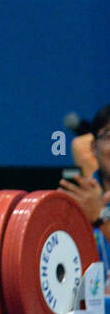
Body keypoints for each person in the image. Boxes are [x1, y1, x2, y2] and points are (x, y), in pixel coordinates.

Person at [61, 103, 110, 265]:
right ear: (94, 147)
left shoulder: (97, 210)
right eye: (109, 135)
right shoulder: (76, 198)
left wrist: (100, 215)